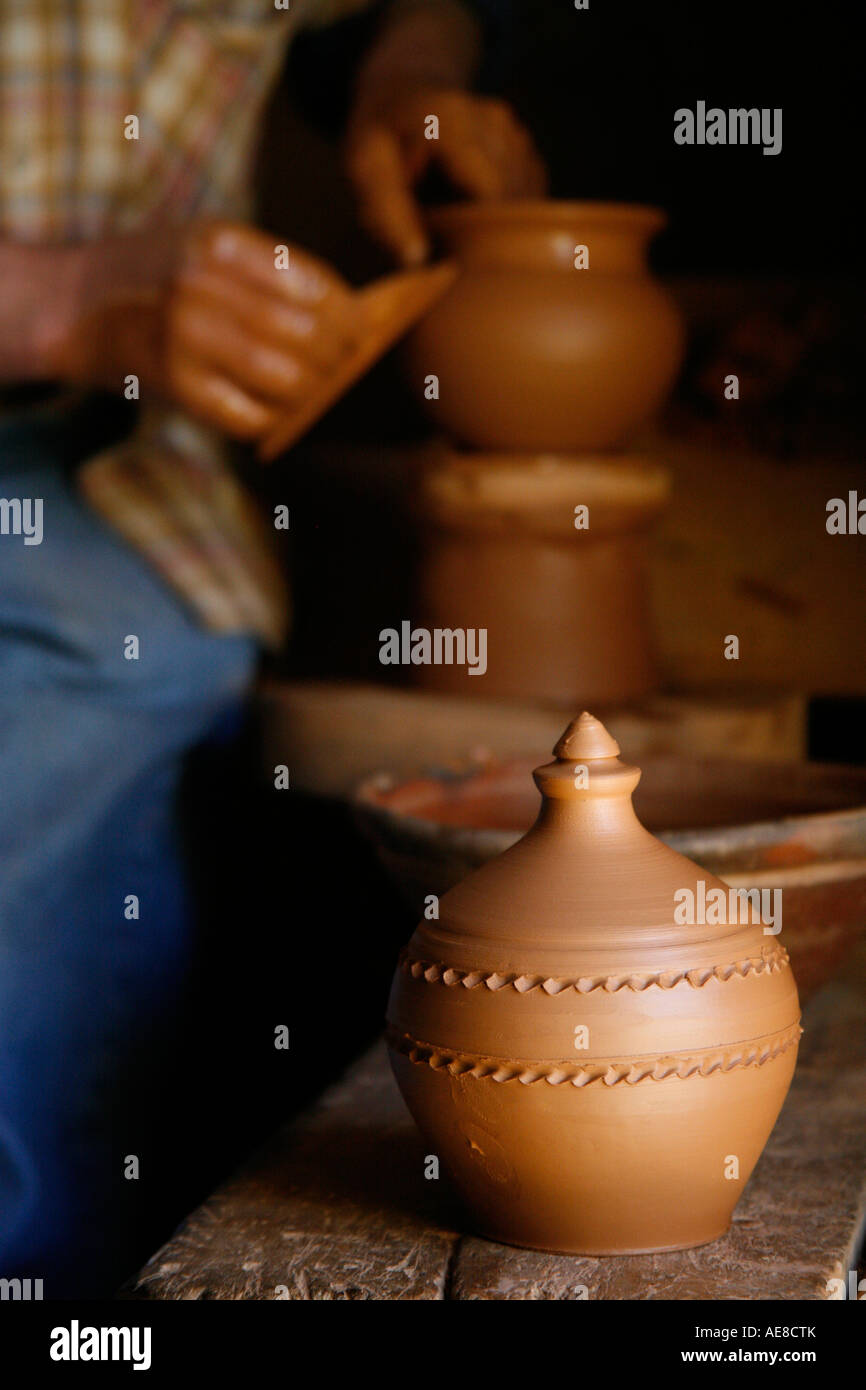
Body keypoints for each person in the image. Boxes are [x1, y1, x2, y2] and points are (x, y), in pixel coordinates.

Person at [0, 0, 545, 1295]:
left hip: (137, 468)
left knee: (148, 633)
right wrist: (66, 296)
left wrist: (404, 78)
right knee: (90, 643)